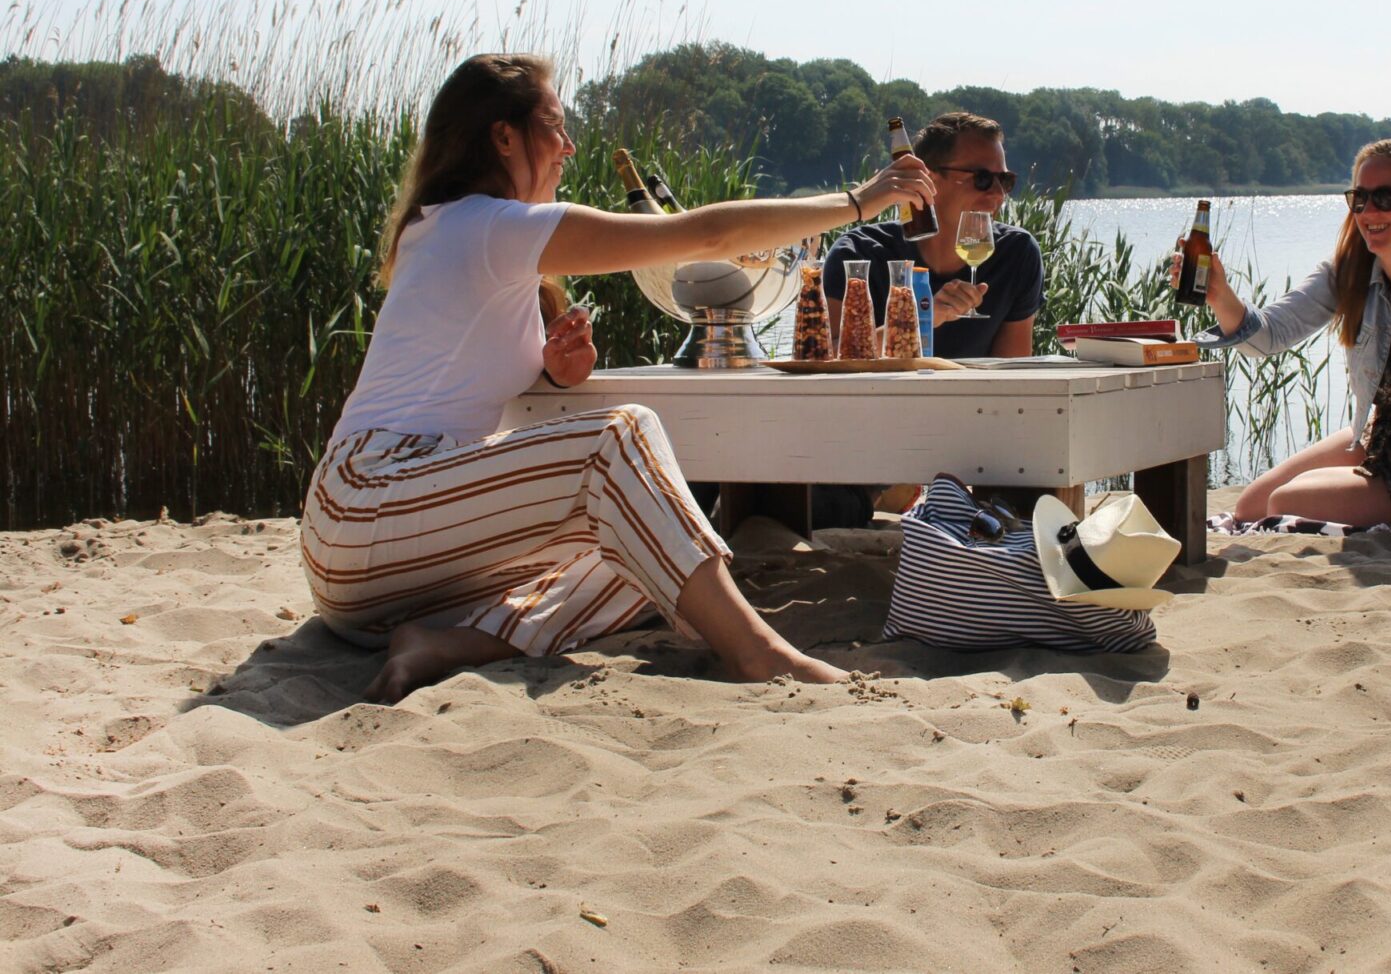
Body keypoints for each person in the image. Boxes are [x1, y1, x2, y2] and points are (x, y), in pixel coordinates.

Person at [300, 53, 936, 702]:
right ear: (503, 136)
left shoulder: (450, 233)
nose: (570, 146)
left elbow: (451, 375)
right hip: (370, 498)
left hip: (374, 564)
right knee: (623, 435)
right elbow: (706, 233)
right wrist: (863, 199)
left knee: (653, 549)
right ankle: (761, 653)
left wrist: (553, 368)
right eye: (555, 125)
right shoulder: (484, 225)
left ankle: (452, 641)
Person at [1187, 139, 1391, 542]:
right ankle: (1365, 489)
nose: (1369, 211)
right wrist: (1220, 294)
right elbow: (1270, 335)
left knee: (1283, 503)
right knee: (1251, 505)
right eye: (1359, 198)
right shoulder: (1352, 268)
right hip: (1385, 435)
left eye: (1385, 197)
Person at [823, 111, 1044, 359]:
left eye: (1004, 180)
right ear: (928, 179)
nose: (998, 194)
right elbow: (828, 361)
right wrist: (920, 319)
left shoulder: (1016, 254)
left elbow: (1011, 377)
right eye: (982, 179)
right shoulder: (858, 255)